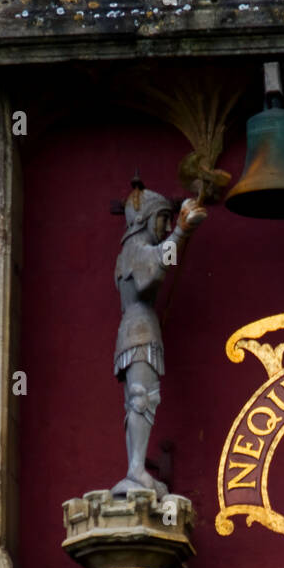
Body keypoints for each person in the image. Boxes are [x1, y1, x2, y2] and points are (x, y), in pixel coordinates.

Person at [112, 178, 206, 497]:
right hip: (139, 331)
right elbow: (149, 278)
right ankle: (136, 469)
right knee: (141, 399)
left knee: (144, 399)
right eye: (163, 220)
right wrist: (181, 233)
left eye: (168, 220)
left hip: (142, 328)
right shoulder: (134, 249)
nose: (166, 227)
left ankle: (136, 468)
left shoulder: (134, 250)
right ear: (145, 218)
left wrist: (180, 234)